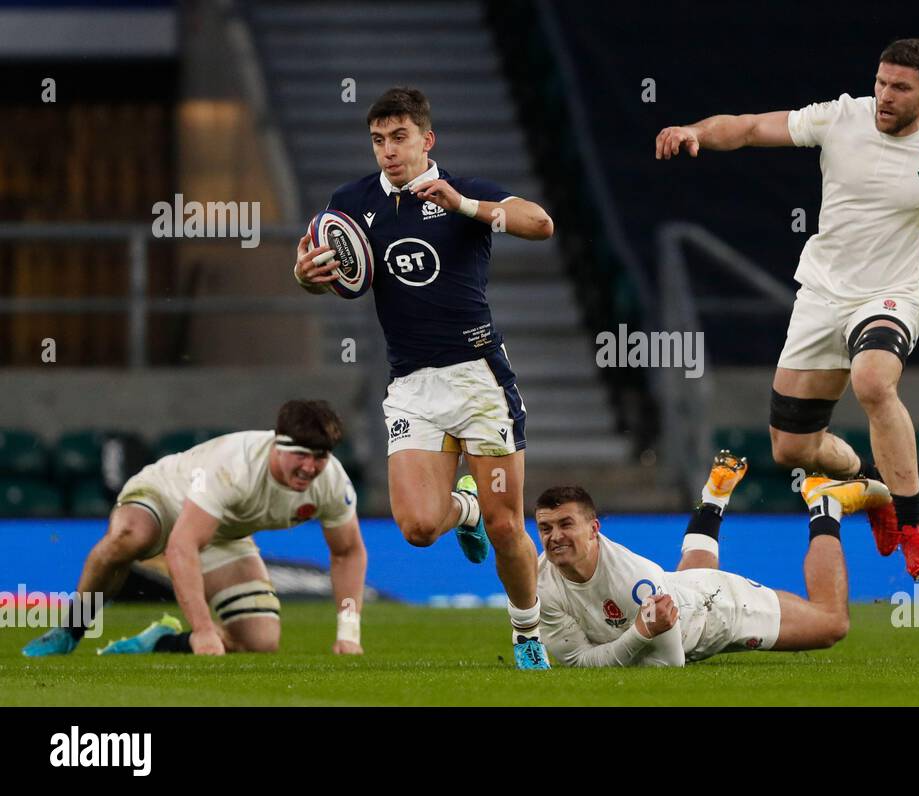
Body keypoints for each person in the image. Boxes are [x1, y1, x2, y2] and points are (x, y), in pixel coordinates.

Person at [655, 38, 919, 580]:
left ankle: (913, 524)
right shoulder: (840, 117)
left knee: (874, 382)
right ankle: (870, 489)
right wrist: (696, 132)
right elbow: (754, 127)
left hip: (889, 296)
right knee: (792, 449)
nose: (884, 96)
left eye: (899, 87)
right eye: (880, 82)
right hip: (821, 296)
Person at [292, 87, 556, 669]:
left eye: (399, 137)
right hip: (412, 382)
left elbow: (541, 223)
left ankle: (526, 633)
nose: (388, 150)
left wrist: (464, 205)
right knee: (414, 527)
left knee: (507, 525)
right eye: (378, 140)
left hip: (480, 378)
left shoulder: (465, 191)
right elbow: (317, 261)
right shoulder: (351, 200)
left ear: (426, 139)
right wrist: (307, 273)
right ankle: (462, 510)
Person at [22, 400, 366, 657]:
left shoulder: (331, 480)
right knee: (130, 537)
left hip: (221, 530)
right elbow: (181, 546)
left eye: (319, 457)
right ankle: (70, 629)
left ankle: (160, 641)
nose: (310, 467)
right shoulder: (235, 467)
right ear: (278, 445)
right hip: (165, 497)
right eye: (301, 455)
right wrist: (203, 629)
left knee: (259, 641)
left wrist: (349, 632)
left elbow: (347, 551)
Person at [535, 451, 890, 666]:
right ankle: (713, 498)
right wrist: (640, 634)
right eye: (546, 528)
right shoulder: (540, 579)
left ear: (594, 528)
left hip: (720, 611)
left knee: (831, 624)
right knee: (684, 586)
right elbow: (578, 661)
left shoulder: (635, 580)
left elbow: (669, 664)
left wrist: (640, 635)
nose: (555, 537)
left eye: (566, 524)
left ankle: (825, 505)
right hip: (683, 593)